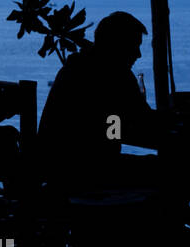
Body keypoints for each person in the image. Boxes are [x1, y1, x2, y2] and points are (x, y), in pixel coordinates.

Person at [37, 11, 163, 191]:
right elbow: (142, 121)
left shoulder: (75, 66)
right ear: (116, 44)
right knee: (172, 169)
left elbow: (114, 124)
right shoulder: (116, 74)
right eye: (133, 46)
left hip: (55, 172)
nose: (138, 54)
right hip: (89, 173)